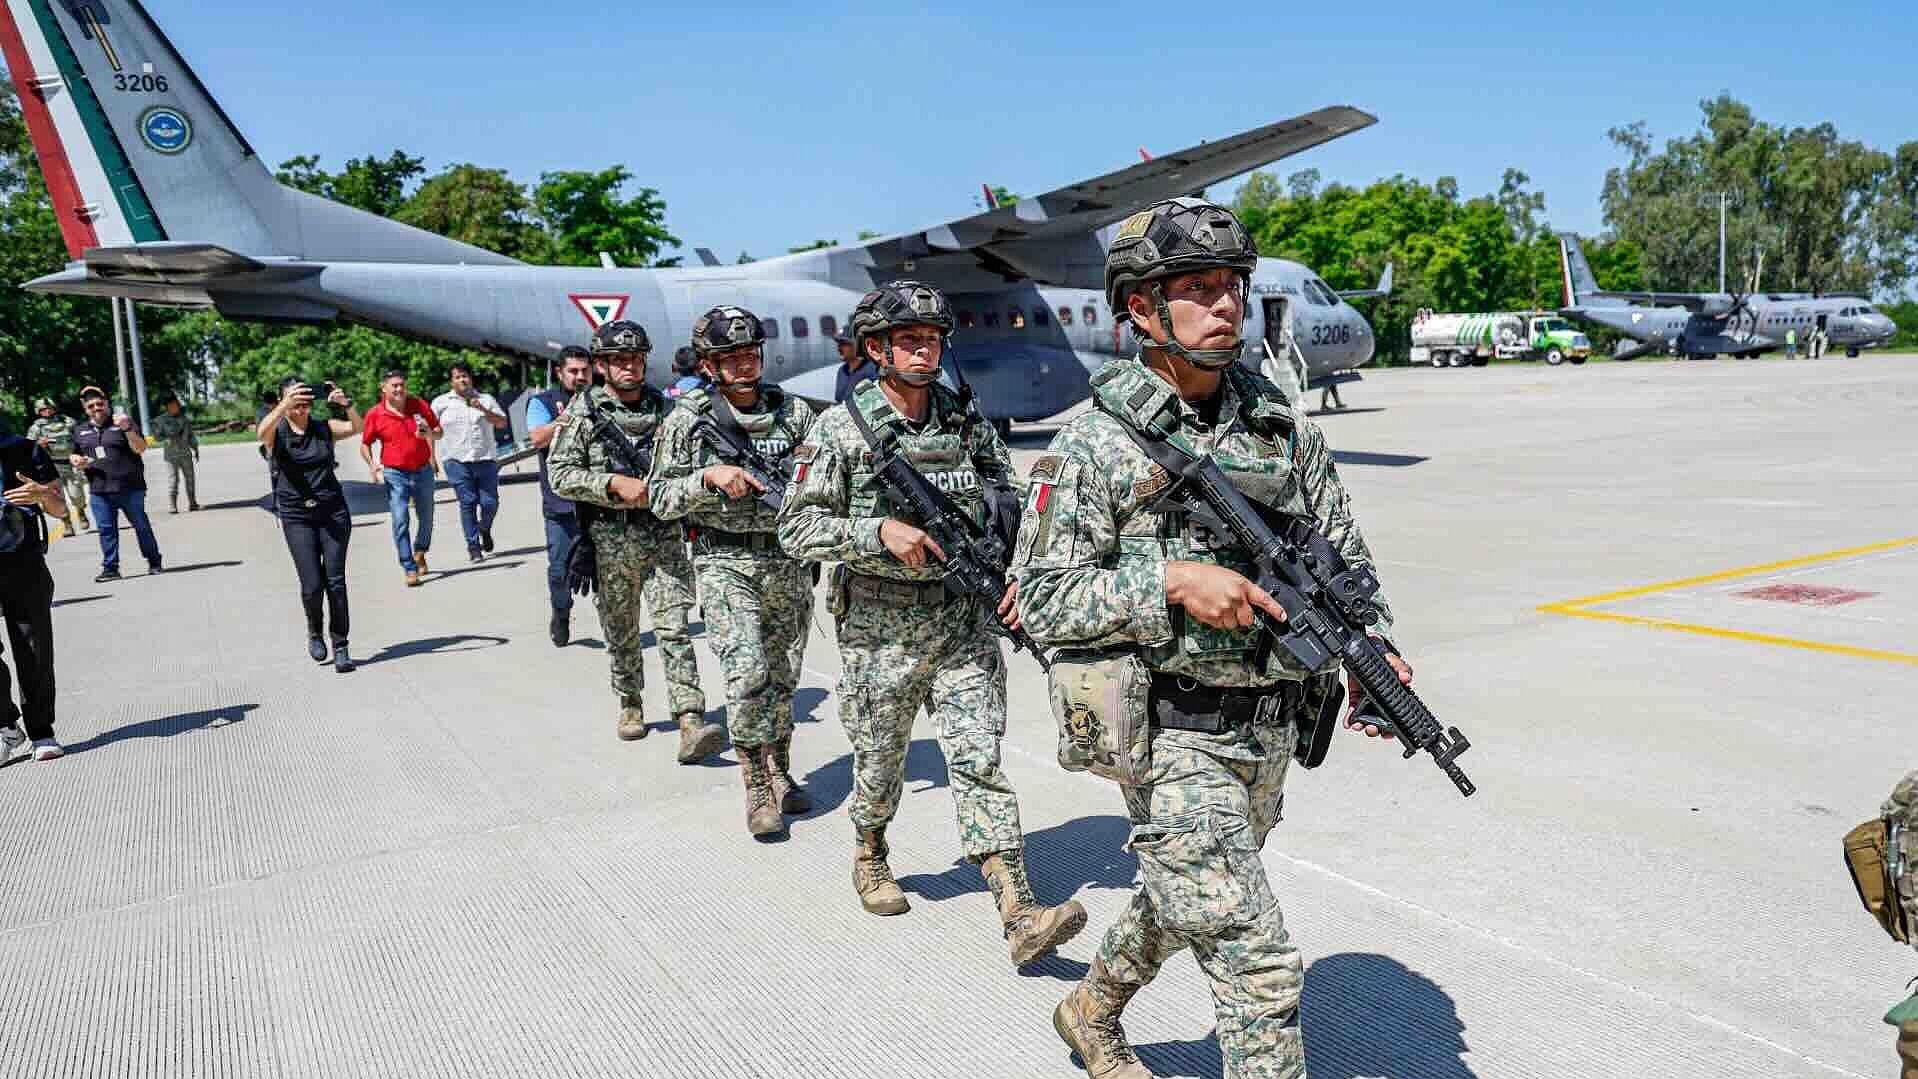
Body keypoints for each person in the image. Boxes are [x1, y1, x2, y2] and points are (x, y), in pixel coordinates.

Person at [1013, 198, 1415, 1079]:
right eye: (1197, 288)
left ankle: (1090, 1008)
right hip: (1167, 734)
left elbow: (1345, 558)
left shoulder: (1282, 431)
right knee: (1258, 963)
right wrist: (1167, 581)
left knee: (1183, 896)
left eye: (1233, 285)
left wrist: (1372, 650)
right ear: (1141, 310)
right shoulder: (1094, 445)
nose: (1227, 304)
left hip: (1269, 726)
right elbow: (1040, 596)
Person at [778, 280, 1087, 967]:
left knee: (979, 759)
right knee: (881, 760)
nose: (925, 351)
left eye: (933, 339)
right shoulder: (838, 428)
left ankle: (1017, 907)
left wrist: (1010, 575)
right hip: (878, 634)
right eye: (910, 340)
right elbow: (795, 526)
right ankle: (870, 851)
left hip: (960, 626)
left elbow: (1003, 502)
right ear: (879, 348)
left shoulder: (966, 419)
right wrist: (877, 530)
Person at [650, 305, 816, 838]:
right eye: (730, 356)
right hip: (724, 561)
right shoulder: (687, 420)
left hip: (786, 558)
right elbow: (659, 496)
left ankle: (781, 766)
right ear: (708, 364)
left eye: (750, 353)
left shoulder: (794, 413)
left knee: (784, 675)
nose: (744, 364)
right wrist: (708, 478)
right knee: (747, 675)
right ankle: (756, 785)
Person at [549, 322, 717, 758]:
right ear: (602, 366)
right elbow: (560, 474)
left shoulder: (667, 410)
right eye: (618, 360)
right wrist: (610, 484)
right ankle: (630, 702)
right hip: (609, 540)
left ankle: (690, 718)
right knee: (621, 631)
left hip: (662, 536)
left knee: (675, 629)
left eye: (635, 359)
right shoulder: (584, 413)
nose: (628, 367)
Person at [259, 378, 363, 672]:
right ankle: (315, 632)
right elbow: (260, 432)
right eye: (296, 402)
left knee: (335, 582)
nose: (302, 408)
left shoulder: (323, 428)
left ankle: (341, 644)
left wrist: (347, 405)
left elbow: (358, 427)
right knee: (312, 585)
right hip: (296, 517)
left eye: (306, 402)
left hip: (333, 513)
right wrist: (284, 405)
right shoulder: (276, 432)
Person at [0, 426, 70, 762]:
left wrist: (42, 494)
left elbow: (61, 510)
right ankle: (6, 727)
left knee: (33, 648)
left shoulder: (25, 450)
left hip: (22, 561)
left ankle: (42, 732)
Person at [528, 346, 594, 646]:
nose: (580, 377)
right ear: (560, 373)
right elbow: (537, 438)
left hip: (597, 502)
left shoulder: (602, 401)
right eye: (573, 371)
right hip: (560, 505)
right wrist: (567, 419)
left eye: (585, 371)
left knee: (608, 571)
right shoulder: (542, 402)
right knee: (559, 570)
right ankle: (561, 612)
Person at [359, 370, 442, 587]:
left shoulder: (419, 405)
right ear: (384, 388)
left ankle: (420, 551)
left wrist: (429, 435)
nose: (399, 389)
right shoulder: (375, 414)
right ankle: (409, 567)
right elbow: (365, 443)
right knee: (400, 519)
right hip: (395, 473)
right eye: (394, 385)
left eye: (402, 385)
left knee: (427, 517)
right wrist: (372, 464)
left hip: (423, 470)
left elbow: (439, 431)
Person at [73, 386, 163, 582]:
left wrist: (128, 429)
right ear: (85, 408)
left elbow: (140, 448)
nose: (96, 407)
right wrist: (76, 460)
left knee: (141, 526)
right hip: (99, 490)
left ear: (107, 404)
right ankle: (111, 568)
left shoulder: (122, 422)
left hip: (130, 487)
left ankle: (154, 561)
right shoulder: (80, 431)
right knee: (106, 530)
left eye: (100, 403)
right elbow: (75, 453)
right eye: (91, 405)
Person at [431, 363, 508, 562]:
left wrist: (482, 409)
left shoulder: (486, 399)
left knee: (490, 503)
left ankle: (484, 528)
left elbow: (501, 422)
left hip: (485, 459)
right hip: (455, 461)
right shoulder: (441, 403)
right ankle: (473, 547)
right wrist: (430, 457)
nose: (462, 380)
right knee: (467, 503)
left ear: (470, 378)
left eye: (465, 376)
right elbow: (430, 431)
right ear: (452, 381)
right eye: (457, 377)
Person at [26, 397, 88, 536]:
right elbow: (28, 448)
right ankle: (67, 524)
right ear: (39, 411)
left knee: (76, 493)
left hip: (70, 463)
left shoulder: (68, 422)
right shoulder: (36, 428)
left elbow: (80, 438)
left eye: (49, 408)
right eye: (43, 409)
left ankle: (81, 512)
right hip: (52, 466)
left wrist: (81, 455)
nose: (47, 411)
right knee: (57, 497)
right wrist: (39, 445)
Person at [146, 393, 202, 513]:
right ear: (167, 407)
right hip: (171, 456)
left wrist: (195, 448)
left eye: (176, 405)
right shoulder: (160, 420)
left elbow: (190, 435)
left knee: (190, 479)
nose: (174, 407)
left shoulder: (184, 419)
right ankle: (173, 505)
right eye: (171, 405)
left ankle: (192, 502)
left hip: (185, 454)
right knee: (173, 480)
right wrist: (164, 438)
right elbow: (156, 436)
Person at [832, 330, 876, 403]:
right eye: (838, 344)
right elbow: (839, 399)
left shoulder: (872, 369)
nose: (839, 348)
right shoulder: (842, 370)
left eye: (843, 344)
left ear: (856, 345)